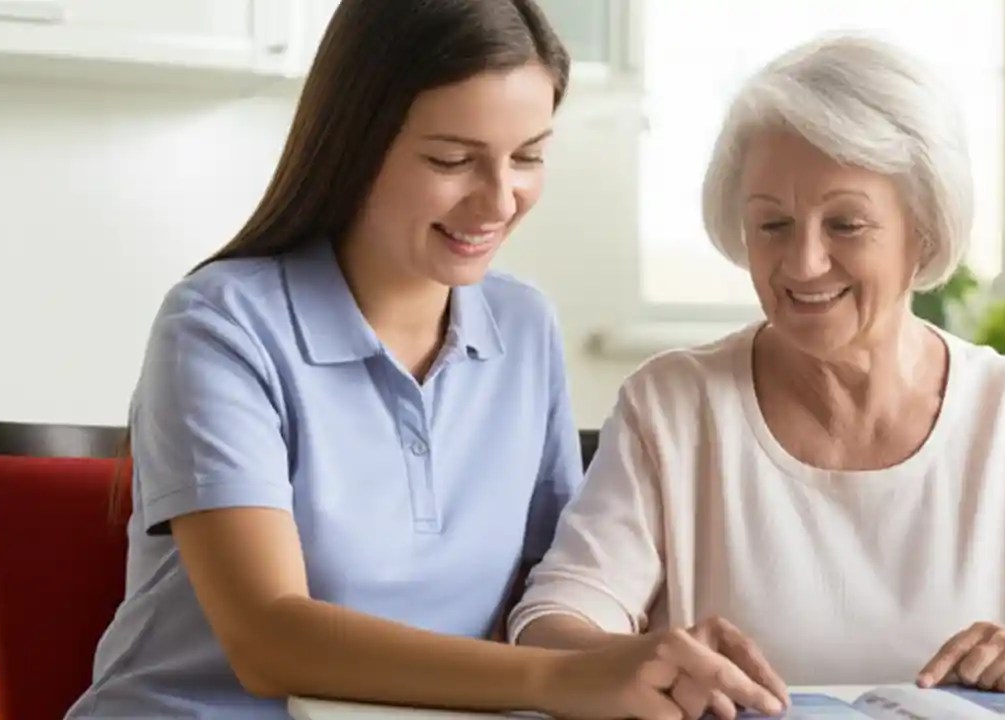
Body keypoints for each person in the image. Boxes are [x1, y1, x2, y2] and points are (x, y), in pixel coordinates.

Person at [66, 2, 789, 718]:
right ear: (356, 142)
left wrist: (655, 657)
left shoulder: (523, 326)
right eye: (453, 160)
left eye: (529, 156)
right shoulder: (221, 326)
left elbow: (549, 594)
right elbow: (267, 639)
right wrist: (553, 680)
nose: (500, 199)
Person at [510, 34, 1005, 703]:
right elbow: (554, 620)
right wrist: (638, 660)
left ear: (923, 230)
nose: (803, 263)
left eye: (846, 224)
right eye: (773, 225)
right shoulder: (672, 407)